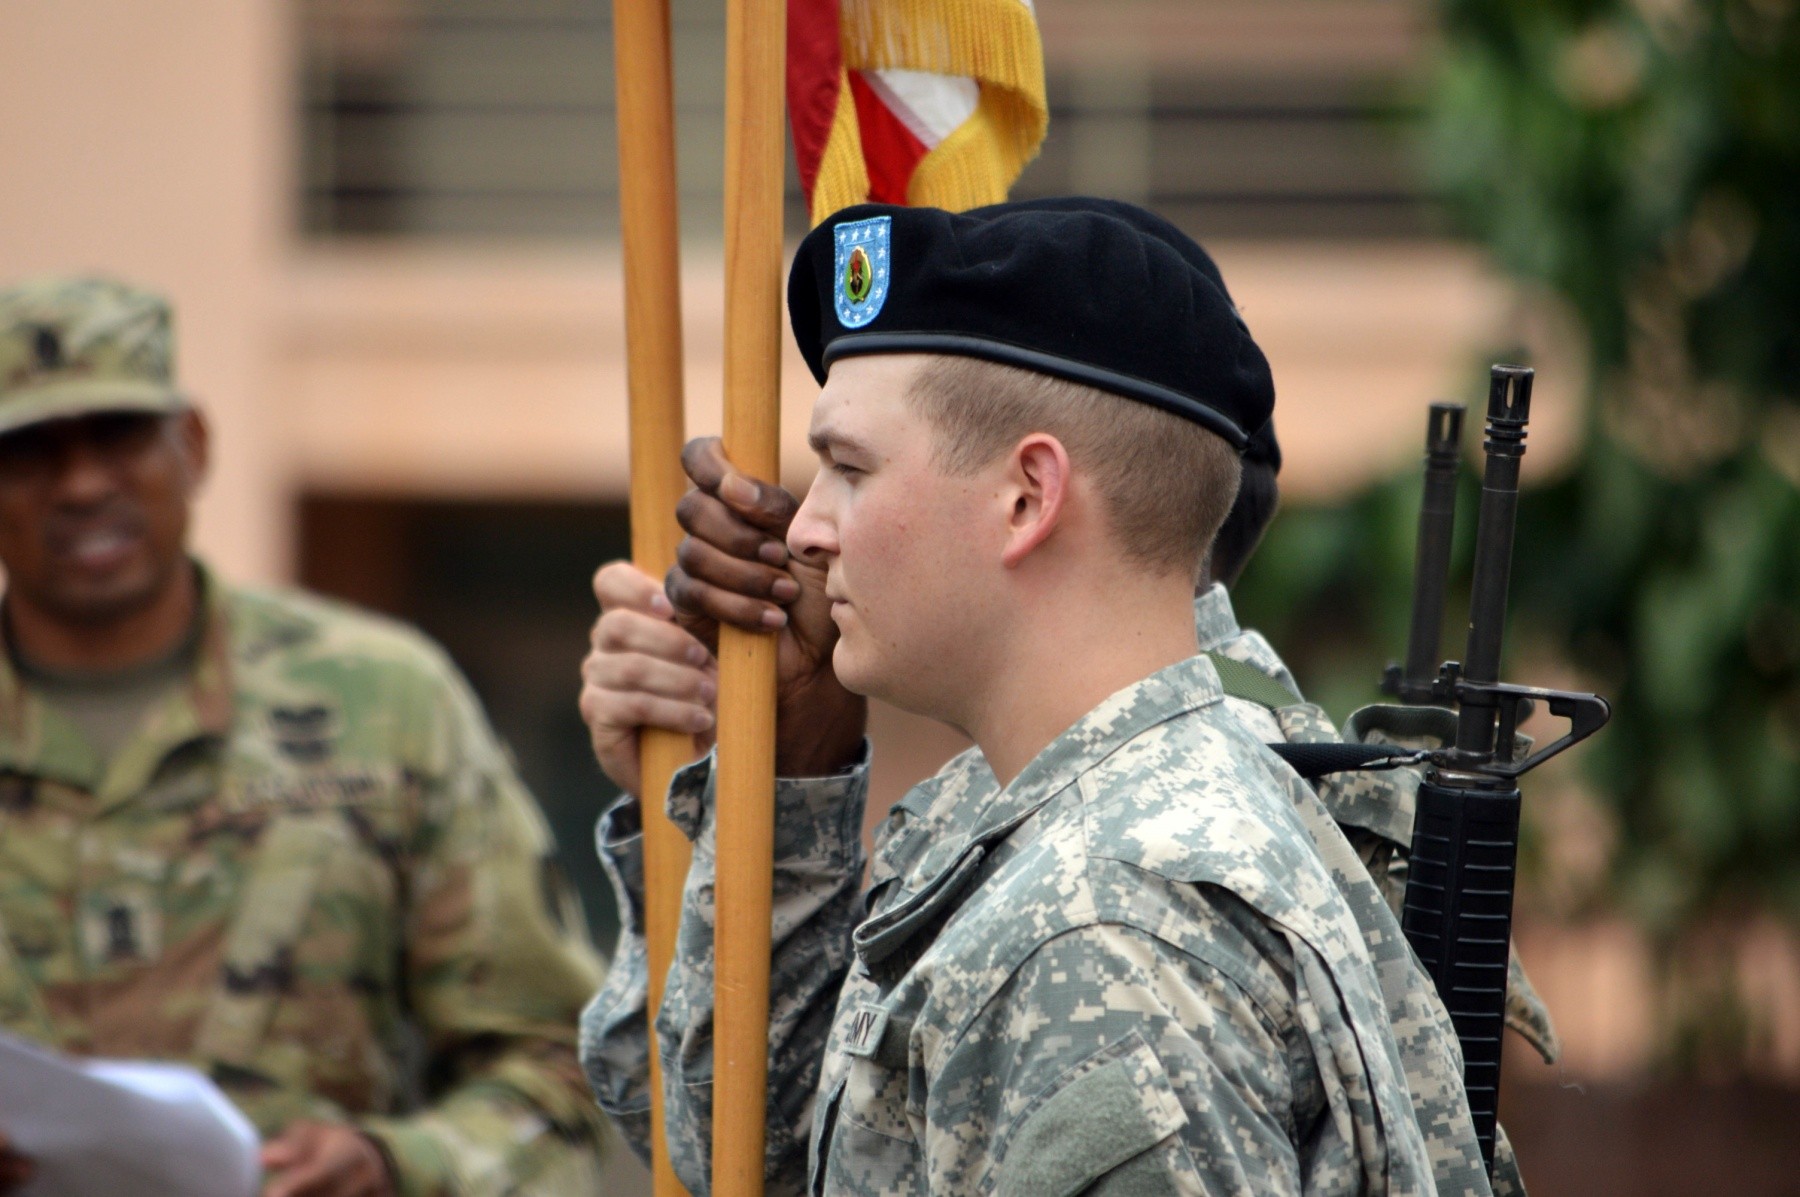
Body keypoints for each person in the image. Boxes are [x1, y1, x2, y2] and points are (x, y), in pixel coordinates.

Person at [581, 199, 1502, 1195]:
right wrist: (791, 762)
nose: (804, 529)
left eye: (849, 467)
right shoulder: (1070, 830)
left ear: (1026, 497)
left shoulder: (1109, 925)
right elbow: (768, 1159)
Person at [0, 278, 611, 1197]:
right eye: (29, 451)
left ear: (192, 446)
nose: (82, 484)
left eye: (118, 434)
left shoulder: (386, 700)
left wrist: (396, 1165)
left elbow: (555, 1063)